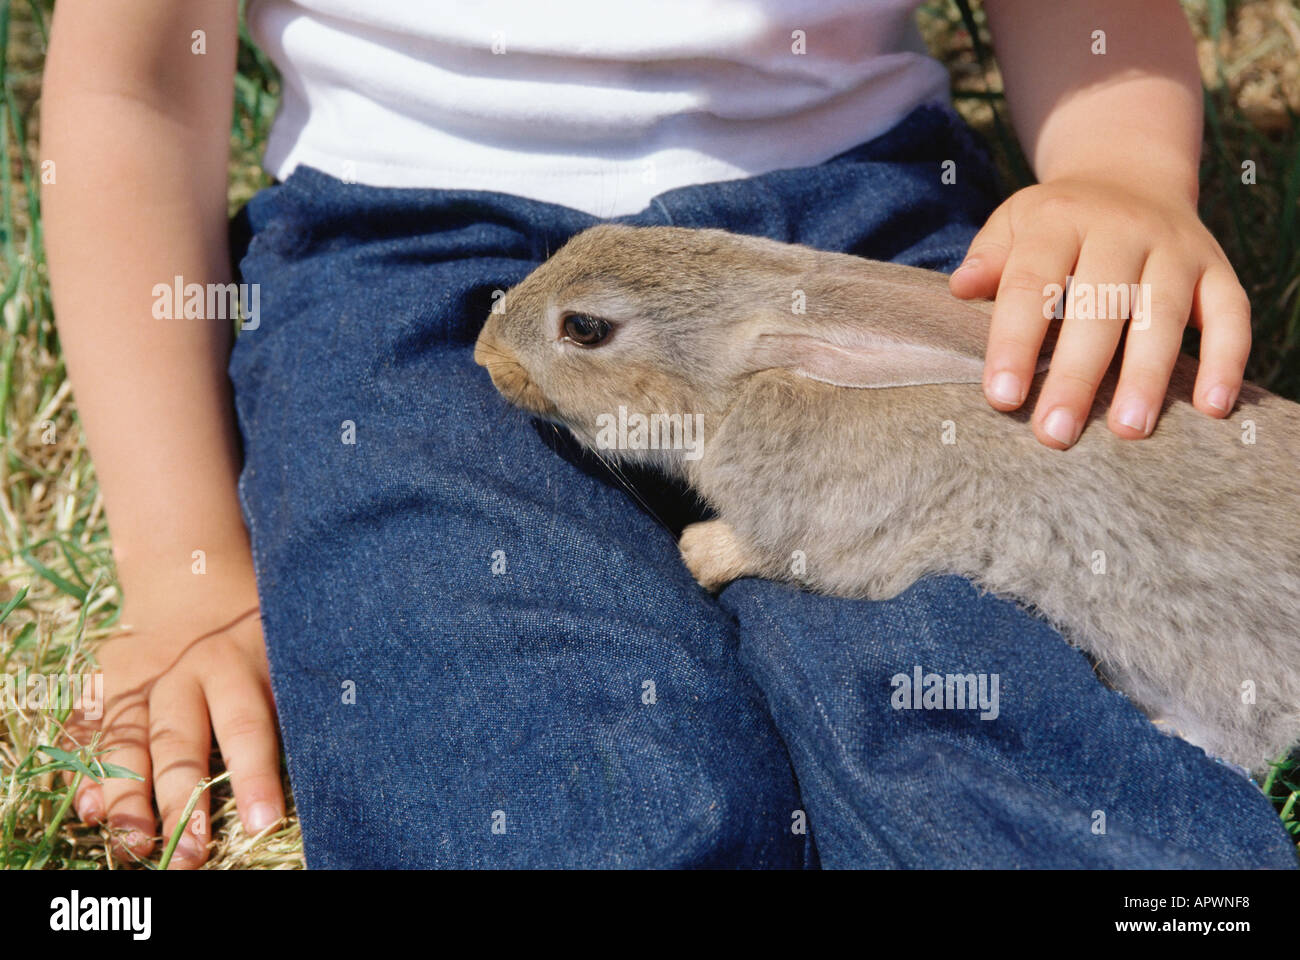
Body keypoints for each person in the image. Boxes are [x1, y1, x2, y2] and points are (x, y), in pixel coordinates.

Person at [41, 0, 1295, 868]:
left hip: (853, 230)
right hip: (406, 262)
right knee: (519, 748)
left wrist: (1118, 168)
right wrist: (183, 567)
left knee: (974, 691)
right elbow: (132, 86)